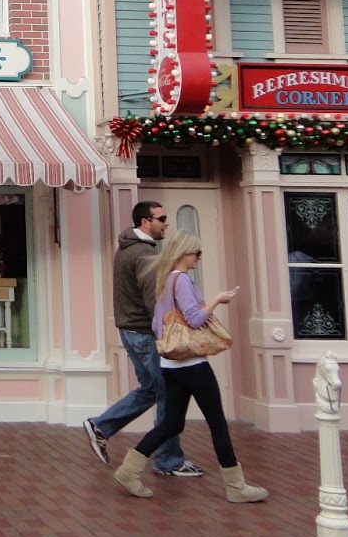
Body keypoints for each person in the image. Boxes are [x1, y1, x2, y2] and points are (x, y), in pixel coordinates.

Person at [112, 232, 266, 503]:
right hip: (193, 365)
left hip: (171, 364)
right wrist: (218, 299)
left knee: (171, 422)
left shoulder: (163, 279)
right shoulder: (181, 280)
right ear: (184, 253)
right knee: (217, 423)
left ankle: (129, 470)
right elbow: (194, 320)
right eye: (197, 253)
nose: (198, 258)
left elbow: (157, 325)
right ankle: (235, 486)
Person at [80, 200, 204, 478]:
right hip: (145, 334)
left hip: (130, 331)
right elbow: (154, 300)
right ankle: (169, 460)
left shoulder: (127, 248)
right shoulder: (145, 254)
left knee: (150, 389)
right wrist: (166, 335)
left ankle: (101, 426)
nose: (166, 223)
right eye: (161, 219)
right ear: (144, 222)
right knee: (168, 397)